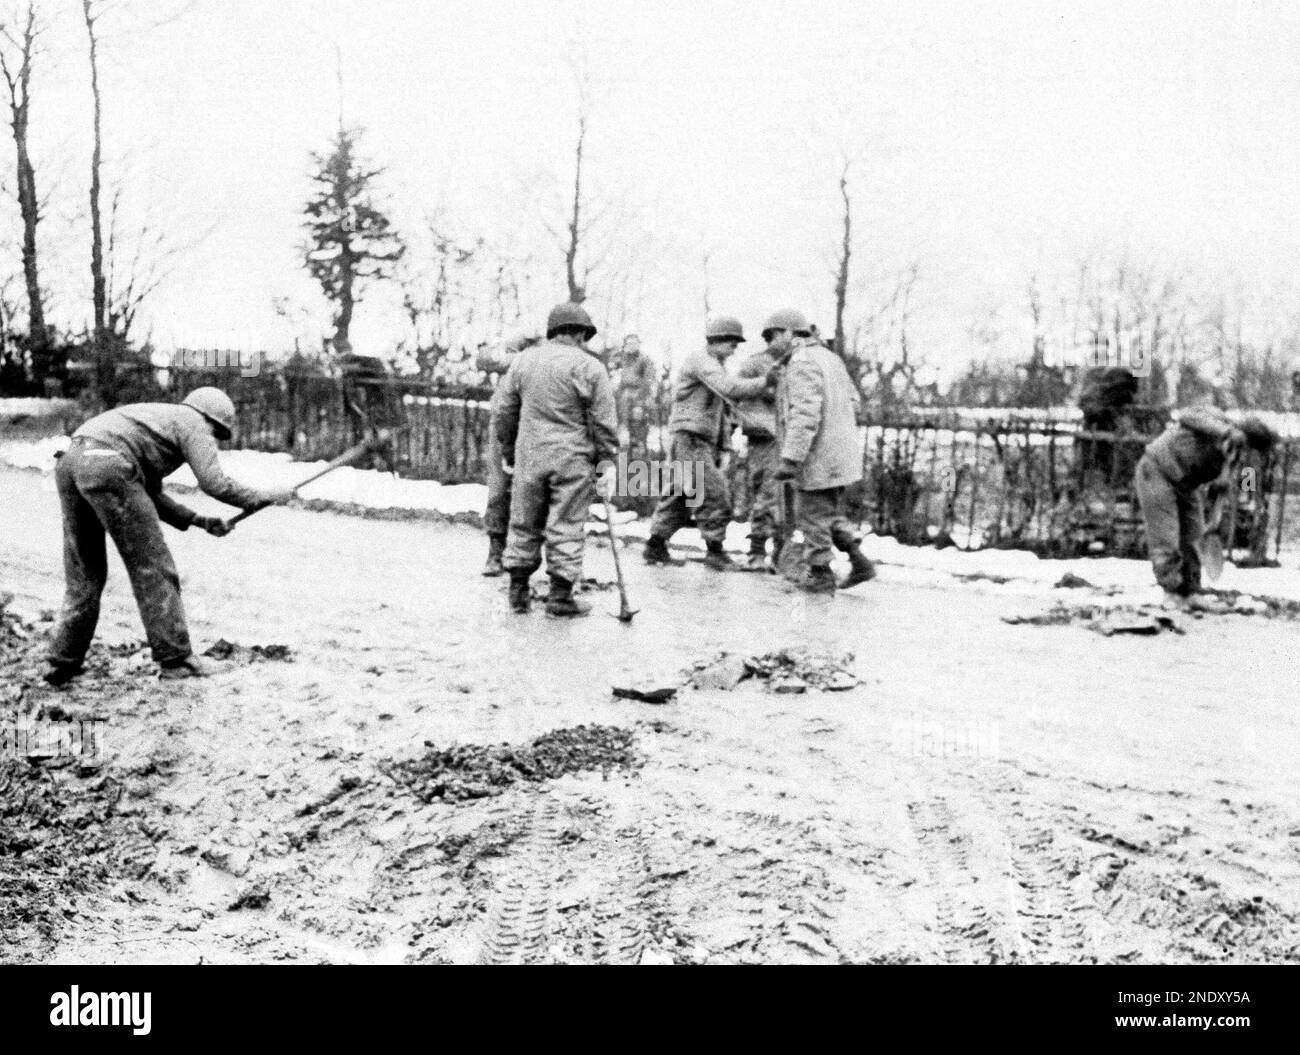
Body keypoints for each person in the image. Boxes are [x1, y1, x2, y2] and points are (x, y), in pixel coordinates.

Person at [44, 387, 294, 684]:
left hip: (72, 461)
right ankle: (177, 661)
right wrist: (262, 496)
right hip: (109, 465)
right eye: (215, 434)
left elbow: (147, 494)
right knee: (153, 567)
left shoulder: (157, 421)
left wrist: (200, 521)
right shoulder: (194, 422)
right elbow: (214, 483)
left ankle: (63, 661)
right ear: (211, 421)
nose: (210, 440)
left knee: (85, 572)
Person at [495, 302, 619, 617]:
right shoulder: (591, 367)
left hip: (530, 455)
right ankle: (560, 597)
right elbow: (604, 421)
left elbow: (504, 410)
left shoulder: (523, 361)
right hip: (573, 457)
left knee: (523, 518)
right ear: (581, 333)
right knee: (566, 522)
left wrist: (508, 448)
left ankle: (518, 591)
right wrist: (607, 459)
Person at [643, 316, 774, 570]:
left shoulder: (714, 365)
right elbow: (729, 389)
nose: (734, 349)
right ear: (717, 340)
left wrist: (723, 445)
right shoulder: (702, 361)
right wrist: (765, 381)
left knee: (681, 494)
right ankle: (715, 550)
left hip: (696, 440)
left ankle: (655, 545)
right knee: (713, 494)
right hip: (691, 438)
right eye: (732, 343)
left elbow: (723, 411)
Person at [771, 312, 875, 594]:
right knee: (826, 512)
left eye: (773, 336)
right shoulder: (830, 358)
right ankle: (859, 560)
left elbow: (804, 415)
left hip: (818, 454)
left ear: (790, 334)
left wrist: (791, 458)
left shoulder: (801, 362)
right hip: (839, 452)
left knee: (810, 514)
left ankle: (820, 573)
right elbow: (854, 400)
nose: (770, 344)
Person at [1134, 408, 1277, 600]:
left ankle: (1191, 593)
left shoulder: (1238, 454)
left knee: (1194, 537)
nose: (1248, 452)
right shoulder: (1214, 418)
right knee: (1166, 537)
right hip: (1157, 471)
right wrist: (1224, 432)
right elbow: (1186, 416)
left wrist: (1228, 486)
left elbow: (1231, 481)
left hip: (1186, 484)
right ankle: (1171, 593)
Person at [734, 312, 798, 571]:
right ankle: (757, 551)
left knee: (789, 495)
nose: (793, 340)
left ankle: (782, 552)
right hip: (765, 436)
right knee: (768, 492)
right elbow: (737, 392)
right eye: (789, 334)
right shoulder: (755, 364)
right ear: (777, 334)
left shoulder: (795, 363)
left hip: (789, 438)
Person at [478, 334, 539, 576]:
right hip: (506, 426)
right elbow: (486, 360)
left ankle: (530, 561)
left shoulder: (548, 355)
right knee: (500, 490)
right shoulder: (515, 357)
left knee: (536, 491)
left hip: (535, 427)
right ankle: (495, 551)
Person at [614, 334, 656, 463]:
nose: (631, 346)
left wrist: (640, 398)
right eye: (628, 343)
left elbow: (649, 379)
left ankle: (641, 458)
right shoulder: (621, 359)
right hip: (623, 398)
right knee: (623, 429)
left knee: (639, 429)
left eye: (634, 343)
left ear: (638, 344)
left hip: (639, 397)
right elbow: (616, 378)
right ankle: (624, 458)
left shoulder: (644, 359)